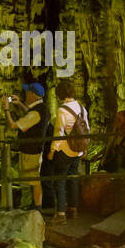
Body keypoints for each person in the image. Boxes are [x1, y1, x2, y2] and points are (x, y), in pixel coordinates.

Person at [48, 79, 88, 223]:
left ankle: (61, 215)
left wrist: (52, 150)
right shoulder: (82, 108)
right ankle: (73, 210)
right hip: (77, 151)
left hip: (65, 150)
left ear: (60, 95)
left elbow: (58, 132)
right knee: (73, 179)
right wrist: (84, 149)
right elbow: (86, 130)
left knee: (60, 181)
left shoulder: (62, 110)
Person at [3, 82, 48, 209]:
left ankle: (36, 208)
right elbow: (31, 113)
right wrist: (20, 103)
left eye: (28, 92)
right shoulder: (43, 107)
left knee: (33, 181)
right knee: (33, 180)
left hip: (30, 151)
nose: (26, 94)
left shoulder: (35, 114)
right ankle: (34, 205)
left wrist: (7, 109)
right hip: (35, 149)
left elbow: (12, 125)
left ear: (33, 95)